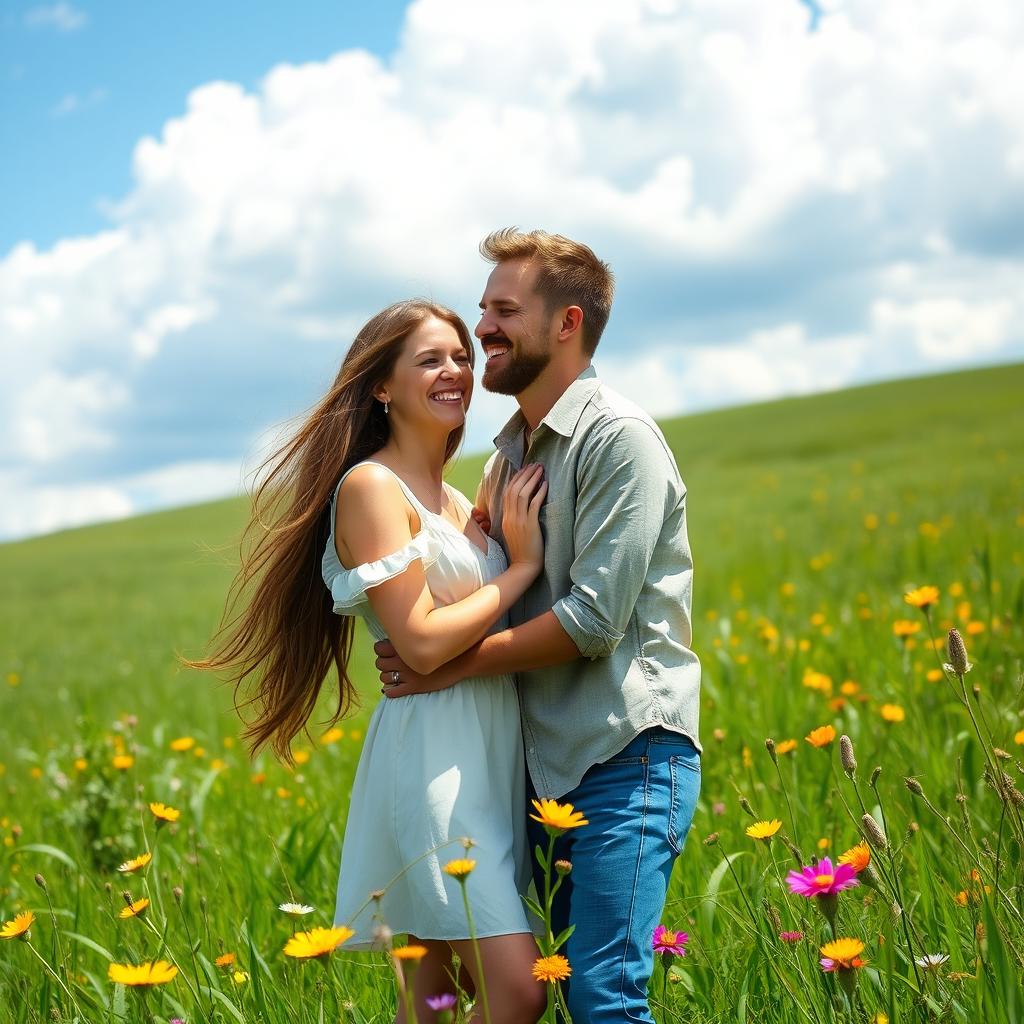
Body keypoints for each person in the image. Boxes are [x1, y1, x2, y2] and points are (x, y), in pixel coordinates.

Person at [186, 299, 548, 1024]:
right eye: (430, 360)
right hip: (434, 761)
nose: (455, 373)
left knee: (434, 1003)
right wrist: (519, 569)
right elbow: (416, 640)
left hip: (492, 754)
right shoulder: (369, 488)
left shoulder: (451, 497)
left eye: (461, 359)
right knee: (518, 993)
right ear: (381, 386)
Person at [377, 229, 703, 1023]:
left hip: (625, 752)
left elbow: (593, 622)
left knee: (603, 999)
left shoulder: (617, 440)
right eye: (484, 308)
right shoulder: (511, 449)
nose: (481, 327)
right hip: (540, 773)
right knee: (559, 991)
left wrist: (441, 669)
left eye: (503, 311)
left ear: (566, 325)